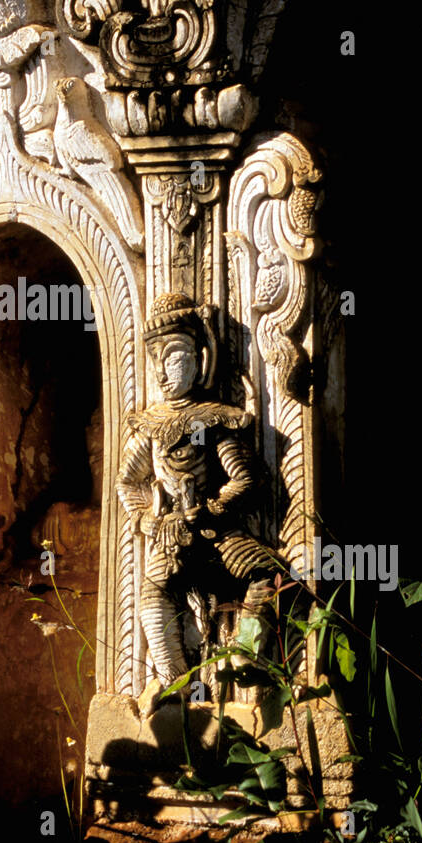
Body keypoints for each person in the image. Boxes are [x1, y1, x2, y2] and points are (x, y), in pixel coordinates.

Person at [117, 292, 279, 711]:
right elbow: (127, 481)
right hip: (171, 533)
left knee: (265, 574)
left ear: (200, 357)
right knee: (152, 593)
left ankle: (246, 660)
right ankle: (172, 679)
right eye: (156, 358)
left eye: (173, 356)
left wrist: (211, 508)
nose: (163, 371)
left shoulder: (214, 419)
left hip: (213, 529)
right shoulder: (150, 427)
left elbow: (246, 479)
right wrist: (146, 521)